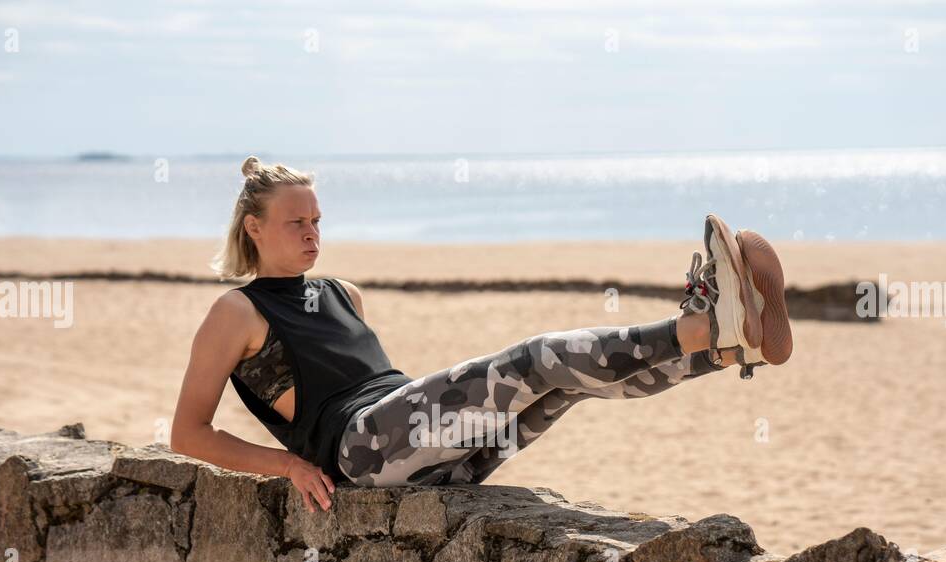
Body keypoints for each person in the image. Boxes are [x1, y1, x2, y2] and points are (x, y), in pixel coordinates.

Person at [170, 156, 793, 514]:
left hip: (427, 454)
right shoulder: (236, 312)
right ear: (253, 227)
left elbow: (395, 396)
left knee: (564, 383)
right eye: (295, 222)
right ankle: (708, 322)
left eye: (317, 221)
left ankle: (729, 348)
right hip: (360, 453)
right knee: (536, 358)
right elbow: (186, 433)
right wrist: (285, 464)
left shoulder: (342, 293)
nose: (312, 233)